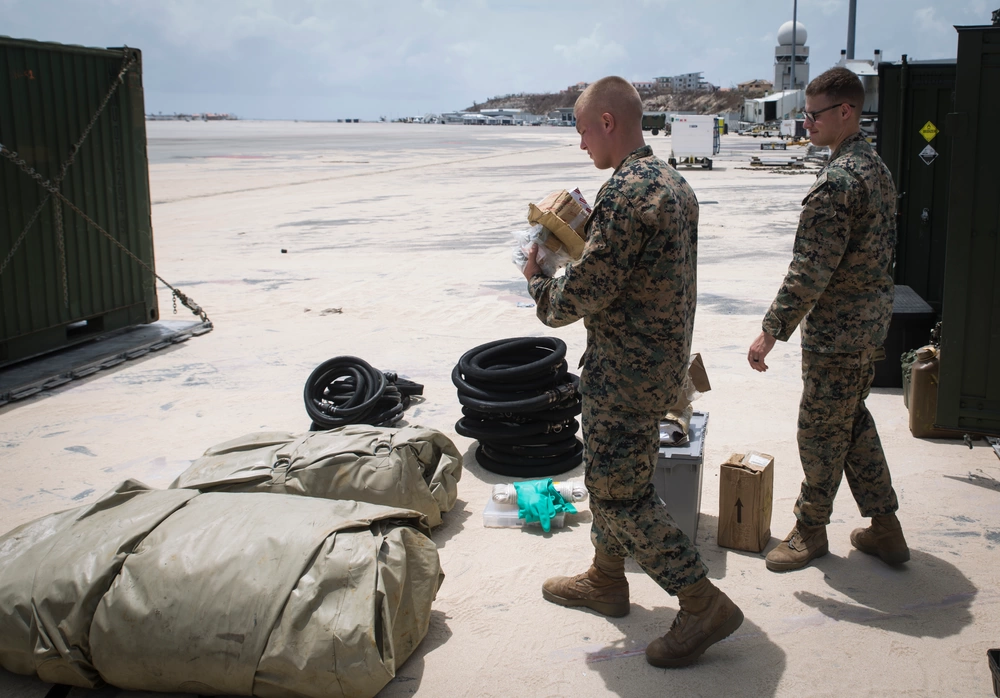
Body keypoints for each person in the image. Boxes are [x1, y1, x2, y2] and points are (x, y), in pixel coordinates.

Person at [521, 76, 743, 668]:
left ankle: (701, 603)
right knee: (611, 475)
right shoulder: (672, 183)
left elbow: (585, 292)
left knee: (620, 495)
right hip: (656, 364)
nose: (581, 145)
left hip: (626, 372)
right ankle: (605, 577)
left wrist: (539, 280)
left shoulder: (628, 194)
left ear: (609, 124)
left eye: (582, 131)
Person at [748, 67, 909, 572]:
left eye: (814, 114)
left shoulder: (839, 180)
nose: (806, 122)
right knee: (851, 421)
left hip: (838, 334)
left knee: (819, 430)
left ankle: (810, 529)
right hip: (866, 326)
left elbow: (810, 271)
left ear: (845, 112)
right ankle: (885, 528)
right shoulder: (875, 168)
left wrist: (771, 329)